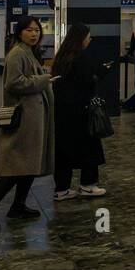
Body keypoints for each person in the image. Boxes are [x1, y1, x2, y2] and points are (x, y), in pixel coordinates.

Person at [0, 16, 55, 230]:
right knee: (17, 164)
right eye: (29, 30)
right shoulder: (18, 53)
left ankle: (18, 205)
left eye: (37, 30)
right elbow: (14, 83)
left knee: (29, 163)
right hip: (24, 117)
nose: (34, 34)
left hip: (33, 116)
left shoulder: (28, 52)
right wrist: (43, 79)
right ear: (20, 32)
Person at [50, 23, 113, 200]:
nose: (89, 40)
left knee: (63, 152)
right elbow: (87, 81)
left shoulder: (62, 57)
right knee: (90, 148)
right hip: (81, 111)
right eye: (88, 37)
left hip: (62, 112)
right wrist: (102, 72)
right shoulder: (81, 57)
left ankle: (61, 189)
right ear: (81, 38)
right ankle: (88, 185)